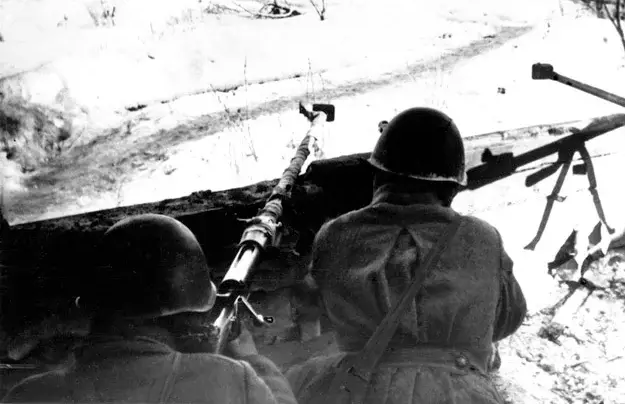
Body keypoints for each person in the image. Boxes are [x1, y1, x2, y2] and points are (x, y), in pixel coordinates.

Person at [285, 106, 528, 404]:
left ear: (377, 176)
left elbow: (317, 310)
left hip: (360, 389)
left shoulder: (335, 234)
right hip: (460, 393)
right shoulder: (482, 237)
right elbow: (508, 319)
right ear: (452, 188)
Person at [1, 214, 296, 404]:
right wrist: (252, 360)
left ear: (94, 310)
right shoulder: (231, 378)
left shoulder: (27, 395)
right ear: (188, 314)